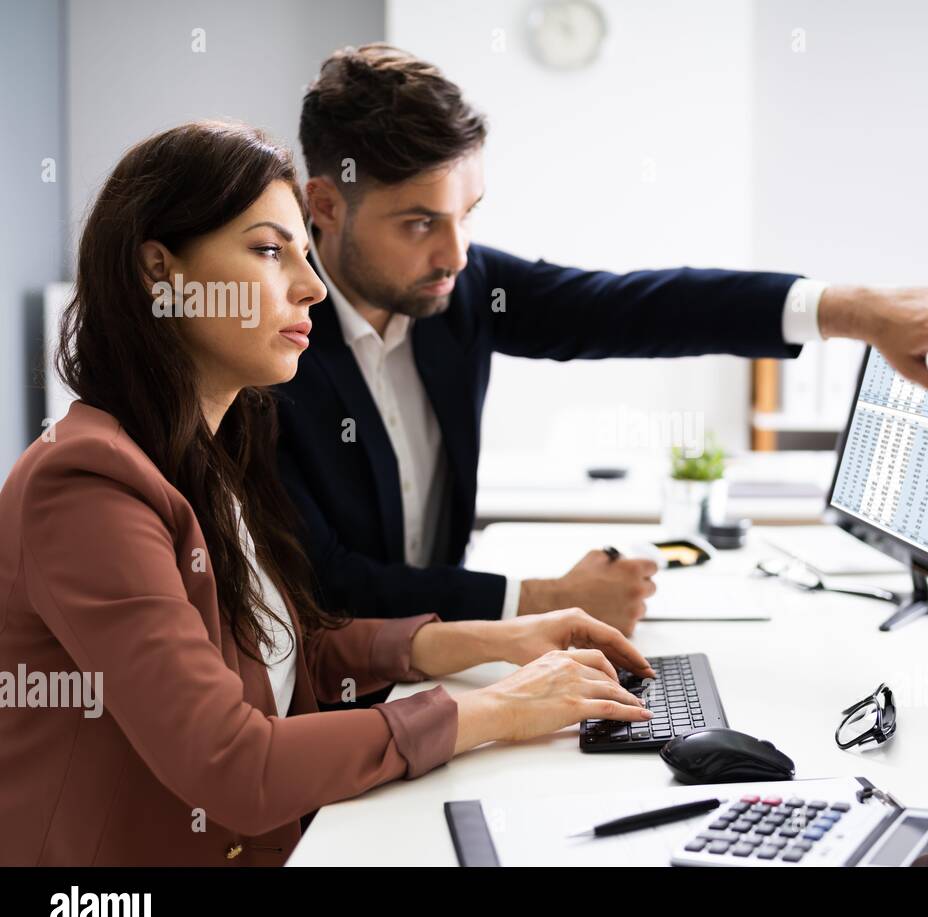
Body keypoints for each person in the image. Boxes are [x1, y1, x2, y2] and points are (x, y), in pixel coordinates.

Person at [0, 121, 657, 866]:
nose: (312, 286)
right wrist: (499, 709)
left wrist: (496, 640)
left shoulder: (202, 453)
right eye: (270, 250)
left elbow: (282, 659)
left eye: (304, 254)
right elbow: (232, 762)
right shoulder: (87, 487)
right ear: (161, 272)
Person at [274, 43, 928, 638]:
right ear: (326, 205)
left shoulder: (459, 288)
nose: (458, 253)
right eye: (420, 223)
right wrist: (545, 598)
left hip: (452, 672)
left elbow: (632, 307)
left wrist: (847, 310)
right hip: (338, 710)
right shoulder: (267, 348)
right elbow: (326, 582)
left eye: (469, 213)